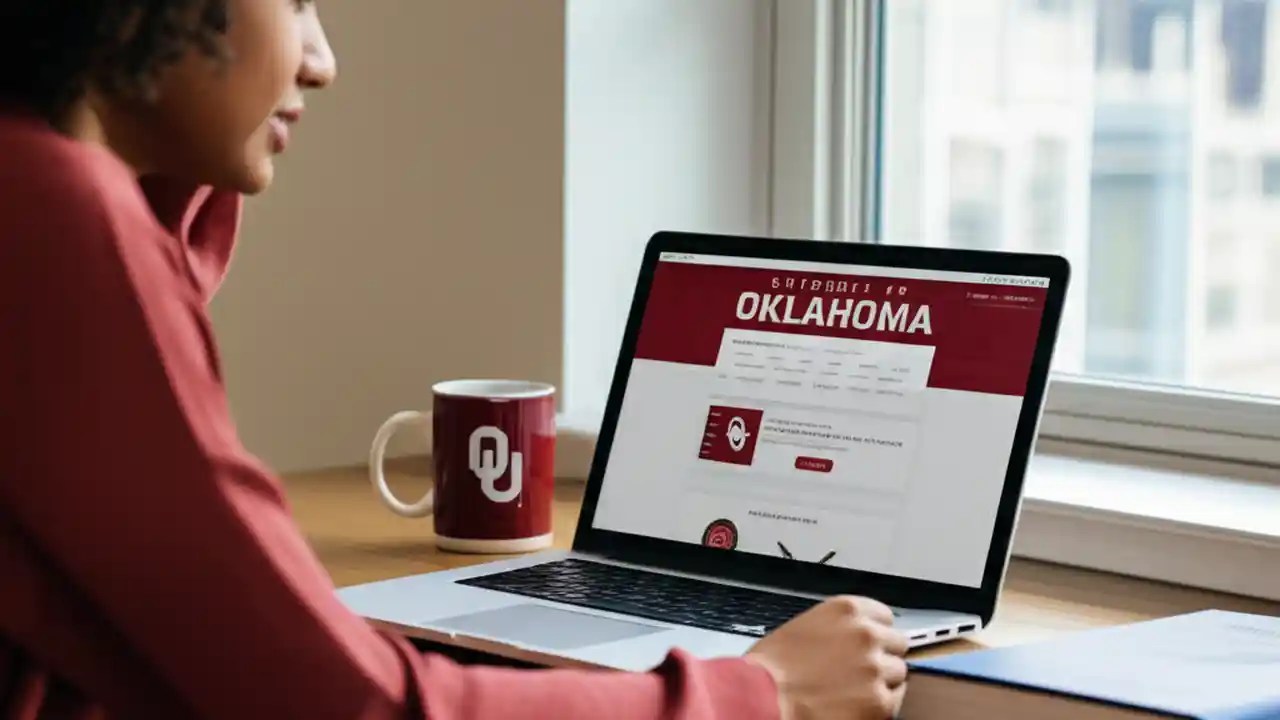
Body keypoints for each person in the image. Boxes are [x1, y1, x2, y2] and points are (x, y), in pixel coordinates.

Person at [0, 2, 909, 718]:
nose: (321, 61)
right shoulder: (50, 215)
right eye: (296, 0)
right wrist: (761, 695)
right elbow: (351, 708)